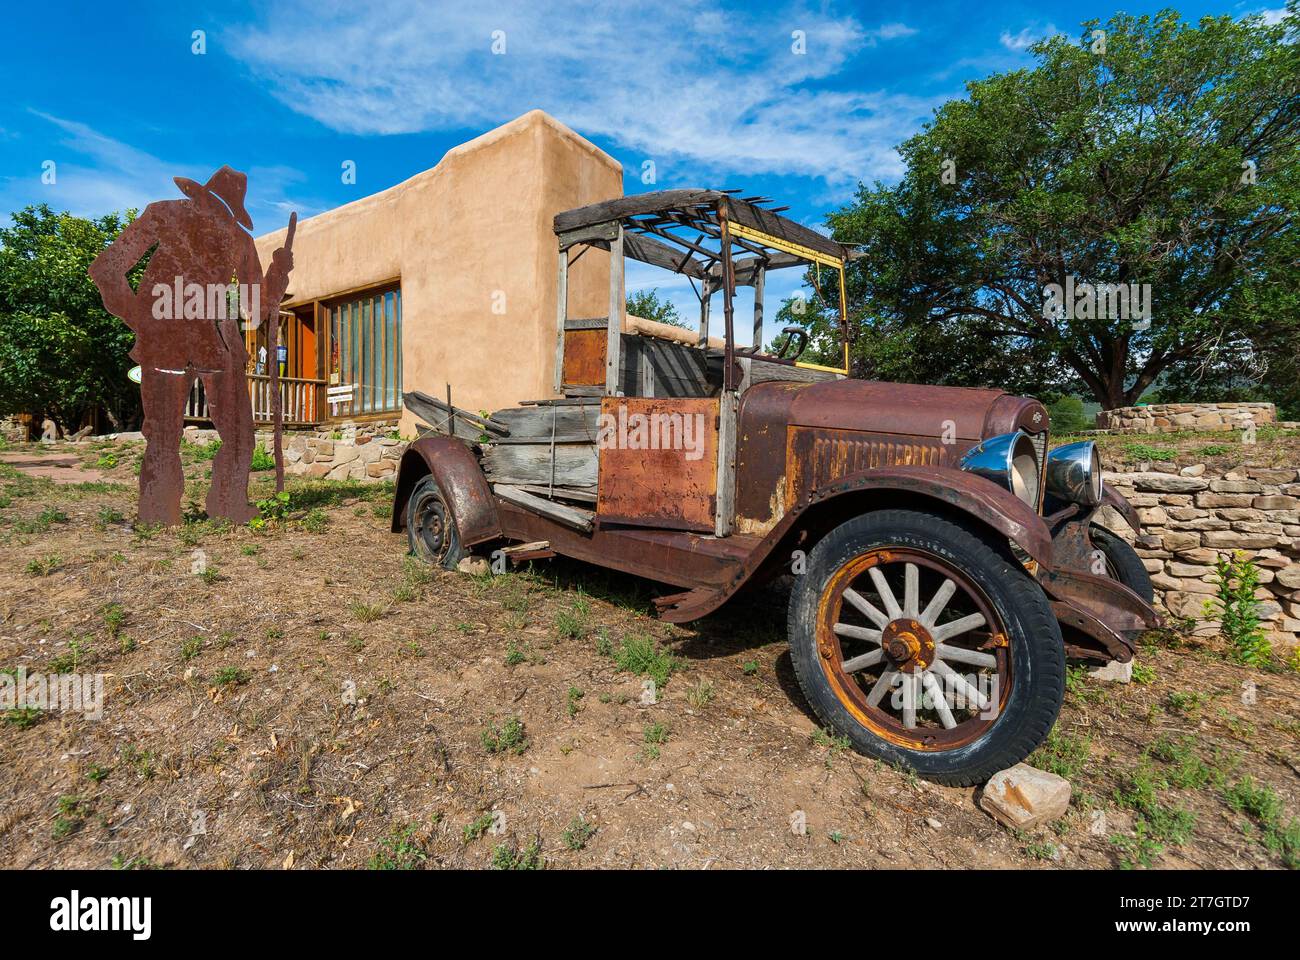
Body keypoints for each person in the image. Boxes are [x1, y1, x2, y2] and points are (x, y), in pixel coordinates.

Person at [89, 166, 292, 525]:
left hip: (217, 344)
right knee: (165, 433)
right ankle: (159, 512)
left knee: (238, 435)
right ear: (200, 199)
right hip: (171, 342)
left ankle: (224, 508)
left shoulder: (238, 240)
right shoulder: (163, 214)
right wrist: (143, 321)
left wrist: (278, 273)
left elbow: (256, 307)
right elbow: (107, 269)